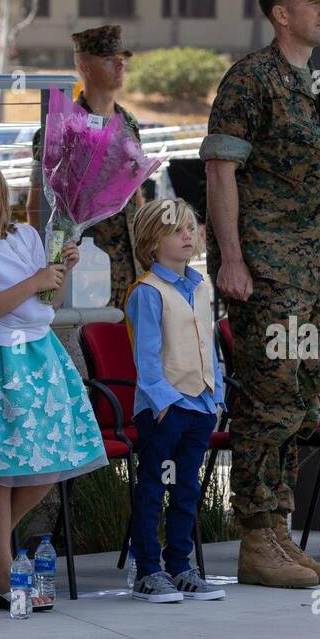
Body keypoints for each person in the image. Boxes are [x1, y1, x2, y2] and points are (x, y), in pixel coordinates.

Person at [200, 0, 320, 589]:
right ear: (281, 14)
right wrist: (233, 258)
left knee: (303, 396)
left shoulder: (310, 84)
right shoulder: (250, 80)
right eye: (314, 2)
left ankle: (280, 531)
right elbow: (219, 171)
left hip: (310, 273)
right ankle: (256, 538)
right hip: (266, 272)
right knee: (267, 400)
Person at [0, 147, 109, 608]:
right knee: (0, 469)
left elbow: (46, 305)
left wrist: (59, 274)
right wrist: (35, 280)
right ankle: (2, 570)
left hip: (39, 355)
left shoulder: (23, 236)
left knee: (47, 463)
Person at [123, 198, 227, 603]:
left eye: (189, 228)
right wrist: (164, 403)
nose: (187, 236)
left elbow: (208, 345)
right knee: (153, 487)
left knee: (187, 489)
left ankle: (181, 566)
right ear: (152, 242)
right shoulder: (148, 292)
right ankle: (148, 570)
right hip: (164, 410)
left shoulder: (200, 287)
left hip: (200, 406)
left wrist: (216, 396)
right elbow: (146, 358)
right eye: (175, 230)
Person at [28, 25, 144, 309]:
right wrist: (52, 267)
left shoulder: (128, 123)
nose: (120, 65)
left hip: (131, 268)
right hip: (84, 269)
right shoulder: (63, 127)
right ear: (84, 66)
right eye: (108, 60)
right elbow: (38, 206)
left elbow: (136, 197)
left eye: (121, 59)